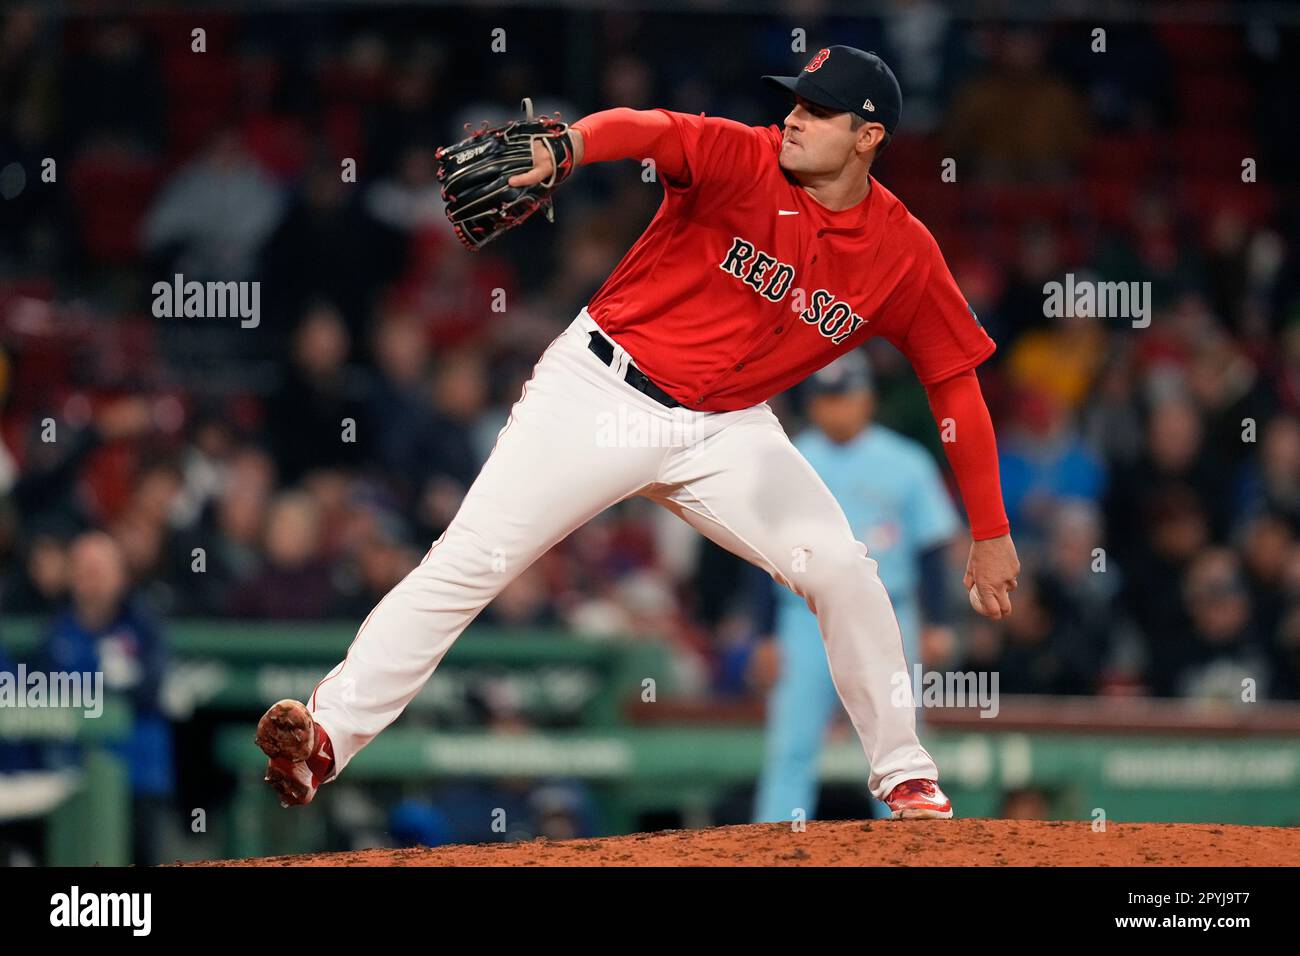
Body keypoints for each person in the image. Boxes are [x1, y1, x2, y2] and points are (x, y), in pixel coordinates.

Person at [256, 46, 1019, 822]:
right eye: (795, 100)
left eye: (819, 110)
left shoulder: (902, 252)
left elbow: (954, 380)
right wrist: (567, 145)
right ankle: (324, 740)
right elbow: (649, 130)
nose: (793, 116)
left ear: (869, 137)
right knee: (469, 561)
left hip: (727, 429)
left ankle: (906, 777)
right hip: (599, 391)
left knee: (845, 570)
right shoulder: (743, 155)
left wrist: (989, 529)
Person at [750, 351, 960, 823]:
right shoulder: (790, 458)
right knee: (791, 746)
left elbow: (930, 551)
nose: (837, 409)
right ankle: (774, 845)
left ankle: (901, 843)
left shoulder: (906, 462)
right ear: (812, 405)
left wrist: (940, 621)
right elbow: (759, 549)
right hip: (800, 619)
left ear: (866, 398)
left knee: (898, 750)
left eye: (845, 397)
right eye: (826, 400)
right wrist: (762, 633)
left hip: (890, 615)